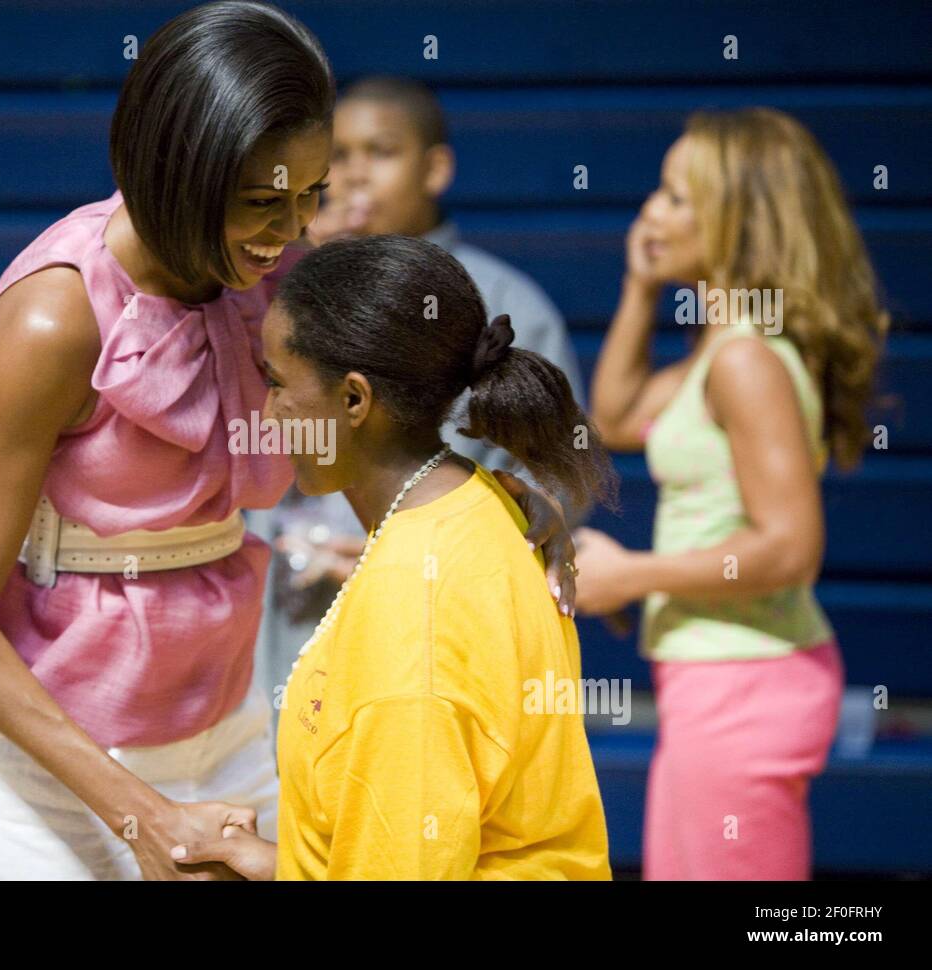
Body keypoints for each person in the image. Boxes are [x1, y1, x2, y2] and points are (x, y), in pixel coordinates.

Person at [0, 1, 577, 881]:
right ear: (172, 172)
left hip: (226, 724)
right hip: (43, 759)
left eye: (311, 196)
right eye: (263, 202)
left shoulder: (279, 274)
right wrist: (141, 815)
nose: (292, 232)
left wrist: (496, 515)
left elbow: (380, 421)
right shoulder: (52, 320)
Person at [169, 235, 615, 880]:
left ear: (353, 400)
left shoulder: (413, 620)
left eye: (277, 384)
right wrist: (275, 864)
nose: (265, 413)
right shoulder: (478, 503)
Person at [574, 108, 887, 879]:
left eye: (678, 196)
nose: (652, 209)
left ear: (742, 222)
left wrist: (628, 576)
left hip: (746, 687)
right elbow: (614, 417)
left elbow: (789, 548)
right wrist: (641, 287)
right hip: (717, 681)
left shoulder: (746, 361)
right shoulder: (723, 347)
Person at [252, 76, 586, 725]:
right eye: (339, 158)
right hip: (290, 619)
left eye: (380, 153)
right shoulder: (279, 287)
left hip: (434, 611)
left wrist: (483, 530)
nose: (354, 178)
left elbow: (556, 472)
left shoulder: (503, 301)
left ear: (435, 168)